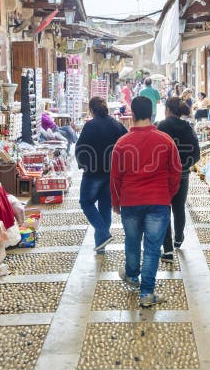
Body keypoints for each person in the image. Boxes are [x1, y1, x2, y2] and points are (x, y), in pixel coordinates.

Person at [111, 97, 181, 307]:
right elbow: (176, 172)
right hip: (158, 201)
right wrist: (167, 194)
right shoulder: (165, 140)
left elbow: (115, 177)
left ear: (132, 114)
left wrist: (116, 202)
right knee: (152, 248)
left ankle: (132, 275)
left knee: (132, 241)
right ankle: (147, 294)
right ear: (152, 113)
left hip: (130, 201)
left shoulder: (122, 143)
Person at [75, 97, 128, 254]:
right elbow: (127, 143)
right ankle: (101, 246)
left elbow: (80, 149)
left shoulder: (90, 126)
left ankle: (103, 234)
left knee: (86, 202)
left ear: (91, 110)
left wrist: (83, 165)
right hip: (111, 173)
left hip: (93, 173)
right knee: (105, 207)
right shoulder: (116, 125)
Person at [156, 98, 200, 263]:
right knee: (179, 207)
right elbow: (196, 154)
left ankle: (167, 250)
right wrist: (183, 166)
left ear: (167, 109)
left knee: (164, 209)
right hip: (182, 174)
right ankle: (179, 238)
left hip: (164, 175)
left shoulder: (161, 126)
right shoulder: (187, 128)